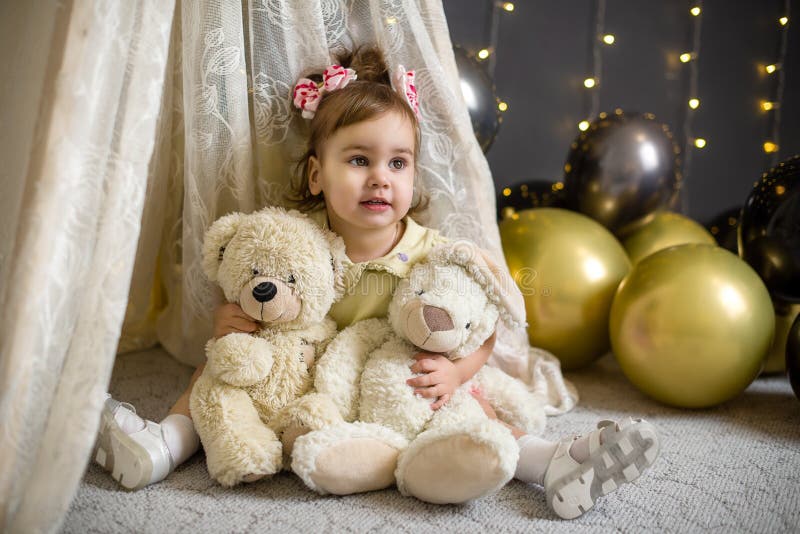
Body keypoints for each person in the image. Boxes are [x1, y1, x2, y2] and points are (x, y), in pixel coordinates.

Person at [93, 46, 659, 519]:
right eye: (358, 160)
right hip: (311, 383)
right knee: (219, 370)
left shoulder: (430, 253)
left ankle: (548, 462)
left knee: (464, 405)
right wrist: (229, 322)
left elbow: (478, 324)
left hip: (397, 378)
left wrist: (458, 368)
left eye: (398, 164)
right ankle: (166, 442)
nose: (379, 180)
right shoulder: (297, 240)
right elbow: (250, 289)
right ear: (317, 174)